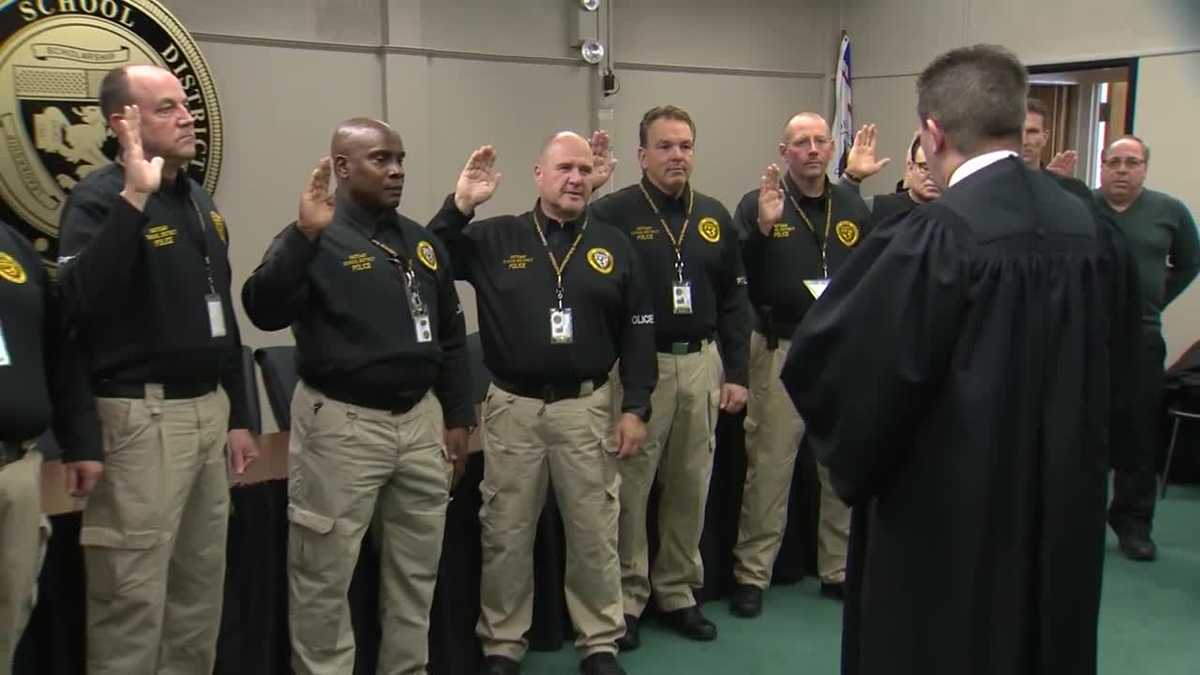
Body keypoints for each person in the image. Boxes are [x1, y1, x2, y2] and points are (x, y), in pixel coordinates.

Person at [781, 44, 1138, 675]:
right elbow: (1126, 364)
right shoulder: (1089, 227)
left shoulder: (937, 235)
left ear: (933, 133)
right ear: (1016, 119)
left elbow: (843, 365)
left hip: (949, 518)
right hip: (1065, 509)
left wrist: (859, 462)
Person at [241, 118, 493, 673]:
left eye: (400, 158)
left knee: (415, 574)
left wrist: (455, 416)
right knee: (324, 578)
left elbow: (450, 336)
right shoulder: (314, 235)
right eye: (381, 159)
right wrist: (301, 237)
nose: (397, 169)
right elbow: (262, 307)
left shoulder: (421, 243)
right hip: (343, 425)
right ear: (341, 166)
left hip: (420, 423)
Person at [56, 64, 259, 674]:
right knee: (131, 596)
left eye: (185, 105)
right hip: (139, 418)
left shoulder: (197, 199)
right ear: (126, 122)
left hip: (207, 412)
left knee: (199, 592)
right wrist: (134, 199)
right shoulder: (96, 200)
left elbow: (219, 308)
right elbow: (79, 303)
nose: (186, 116)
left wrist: (240, 414)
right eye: (167, 107)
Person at [430, 131, 656, 675]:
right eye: (564, 168)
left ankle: (599, 640)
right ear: (538, 173)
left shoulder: (613, 244)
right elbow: (429, 256)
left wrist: (637, 406)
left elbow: (639, 332)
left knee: (594, 528)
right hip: (513, 409)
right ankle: (503, 643)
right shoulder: (496, 238)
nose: (575, 178)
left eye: (584, 169)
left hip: (587, 409)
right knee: (506, 530)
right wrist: (459, 205)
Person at [586, 105, 749, 648]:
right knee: (629, 489)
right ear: (642, 155)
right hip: (640, 366)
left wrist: (737, 372)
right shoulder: (613, 213)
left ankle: (678, 591)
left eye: (685, 145)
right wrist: (586, 192)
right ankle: (628, 599)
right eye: (665, 146)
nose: (677, 155)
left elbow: (733, 301)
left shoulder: (714, 214)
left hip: (702, 363)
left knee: (690, 484)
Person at [727, 114, 887, 615]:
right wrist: (761, 232)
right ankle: (753, 573)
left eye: (821, 141)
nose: (814, 149)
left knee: (836, 465)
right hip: (780, 348)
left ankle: (837, 568)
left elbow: (870, 270)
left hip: (840, 350)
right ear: (784, 150)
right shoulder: (759, 204)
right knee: (770, 466)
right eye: (802, 142)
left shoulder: (852, 205)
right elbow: (735, 275)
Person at [0, 219, 101, 670]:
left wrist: (80, 442)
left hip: (16, 467)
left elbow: (59, 349)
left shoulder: (11, 245)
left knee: (9, 614)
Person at [1098, 135, 1200, 561]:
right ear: (1102, 166)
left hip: (1140, 338)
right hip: (1087, 336)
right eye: (1114, 162)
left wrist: (1154, 299)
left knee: (1138, 435)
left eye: (1131, 162)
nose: (1122, 170)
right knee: (1082, 433)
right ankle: (1080, 521)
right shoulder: (1082, 208)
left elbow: (1190, 263)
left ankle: (1133, 523)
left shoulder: (1169, 211)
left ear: (1144, 168)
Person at [867, 132, 942, 226]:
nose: (932, 176)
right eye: (925, 168)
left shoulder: (958, 213)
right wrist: (852, 178)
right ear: (910, 167)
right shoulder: (879, 207)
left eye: (939, 169)